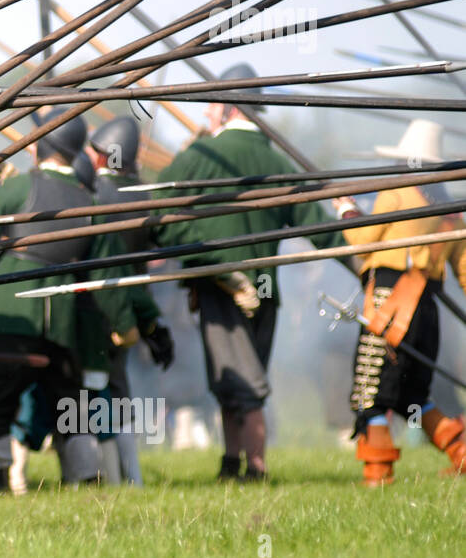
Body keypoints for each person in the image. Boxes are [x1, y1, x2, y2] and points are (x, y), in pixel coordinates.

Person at [152, 63, 347, 481]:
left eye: (211, 106)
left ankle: (254, 469)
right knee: (236, 381)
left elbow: (157, 215)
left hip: (220, 291)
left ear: (229, 108)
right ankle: (231, 463)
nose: (206, 114)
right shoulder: (276, 160)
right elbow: (320, 226)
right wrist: (361, 259)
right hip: (266, 289)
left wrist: (205, 258)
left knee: (245, 384)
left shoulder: (197, 157)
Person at [0, 110, 133, 488]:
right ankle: (86, 479)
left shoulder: (17, 187)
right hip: (63, 316)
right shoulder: (89, 201)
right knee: (69, 404)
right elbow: (104, 270)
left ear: (41, 144)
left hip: (11, 309)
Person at [334, 119, 466, 485]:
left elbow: (363, 239)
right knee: (411, 394)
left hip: (389, 304)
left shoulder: (397, 191)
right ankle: (461, 451)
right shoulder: (454, 210)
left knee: (368, 393)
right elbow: (464, 270)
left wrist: (346, 209)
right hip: (427, 312)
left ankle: (378, 475)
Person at [86, 117, 174, 485]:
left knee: (97, 389)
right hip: (133, 305)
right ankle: (124, 477)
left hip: (96, 305)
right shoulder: (143, 194)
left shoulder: (94, 193)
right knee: (113, 388)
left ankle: (113, 477)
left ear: (104, 156)